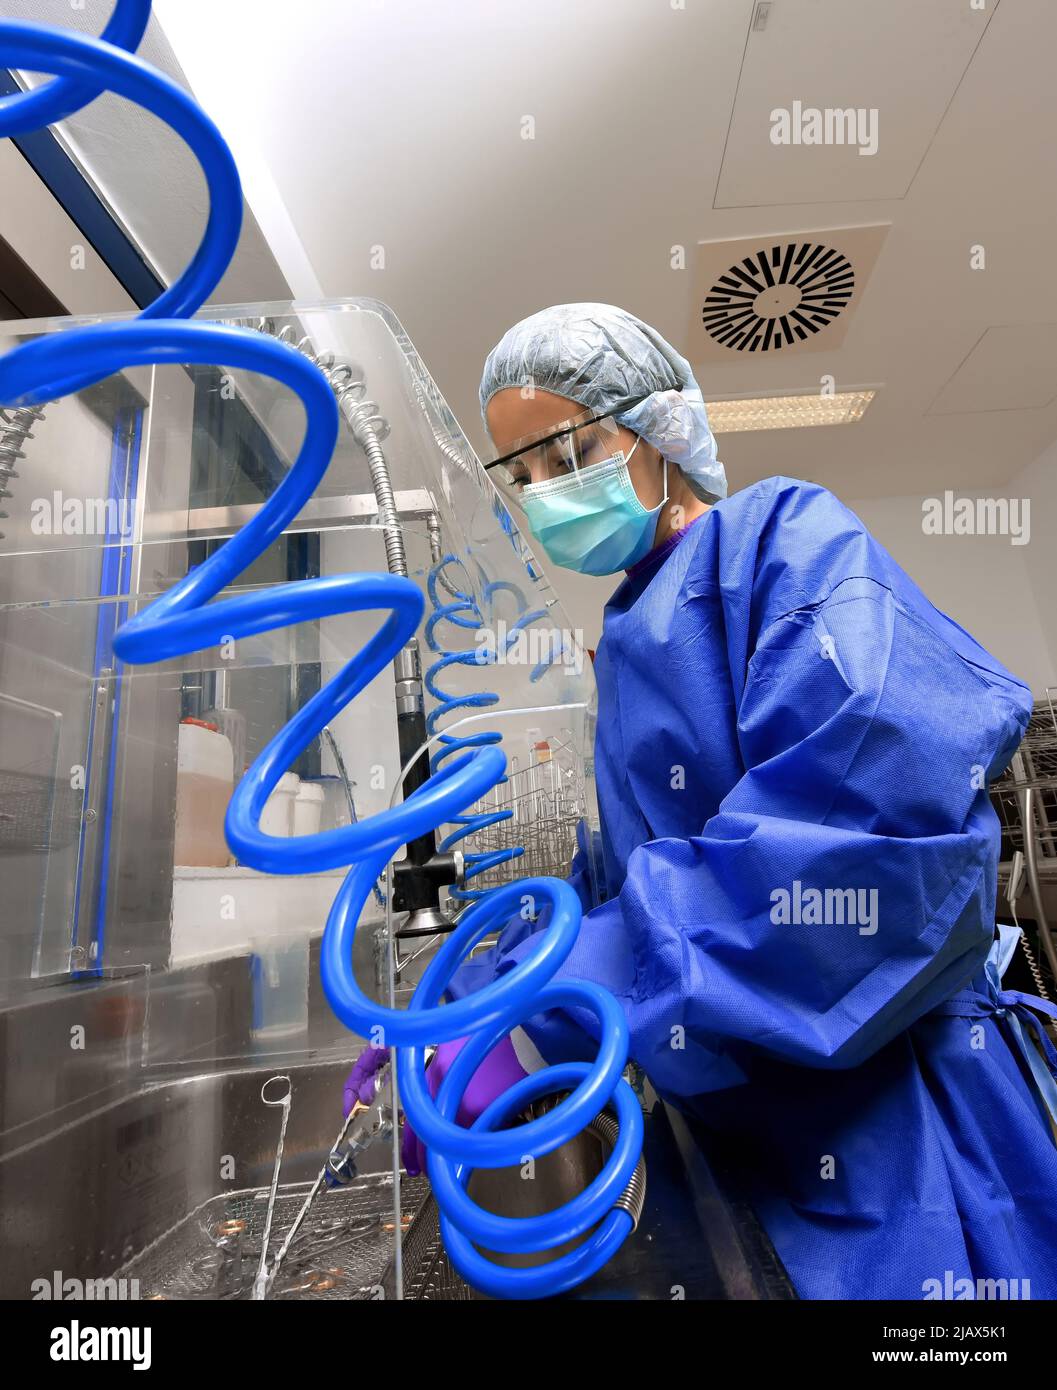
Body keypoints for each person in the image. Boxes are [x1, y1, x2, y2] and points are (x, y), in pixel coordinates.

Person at [347, 302, 1057, 1301]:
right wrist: (472, 996)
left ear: (660, 431)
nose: (547, 494)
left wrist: (544, 1017)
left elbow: (857, 846)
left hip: (894, 1134)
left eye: (569, 451)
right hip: (743, 1134)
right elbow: (628, 883)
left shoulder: (781, 541)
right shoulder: (631, 634)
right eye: (525, 475)